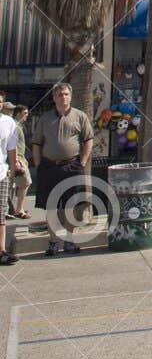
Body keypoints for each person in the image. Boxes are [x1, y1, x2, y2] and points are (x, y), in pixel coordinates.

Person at [31, 83, 94, 256]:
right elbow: (36, 143)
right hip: (49, 166)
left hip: (71, 165)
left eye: (66, 94)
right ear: (54, 98)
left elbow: (88, 139)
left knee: (71, 205)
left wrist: (82, 161)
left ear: (70, 96)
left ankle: (69, 241)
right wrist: (38, 165)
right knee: (51, 206)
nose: (63, 97)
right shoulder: (45, 118)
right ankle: (52, 242)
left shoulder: (79, 116)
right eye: (59, 95)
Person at [0, 104, 21, 266]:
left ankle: (1, 251)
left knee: (1, 214)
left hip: (1, 174)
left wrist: (13, 168)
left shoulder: (8, 122)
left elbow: (11, 148)